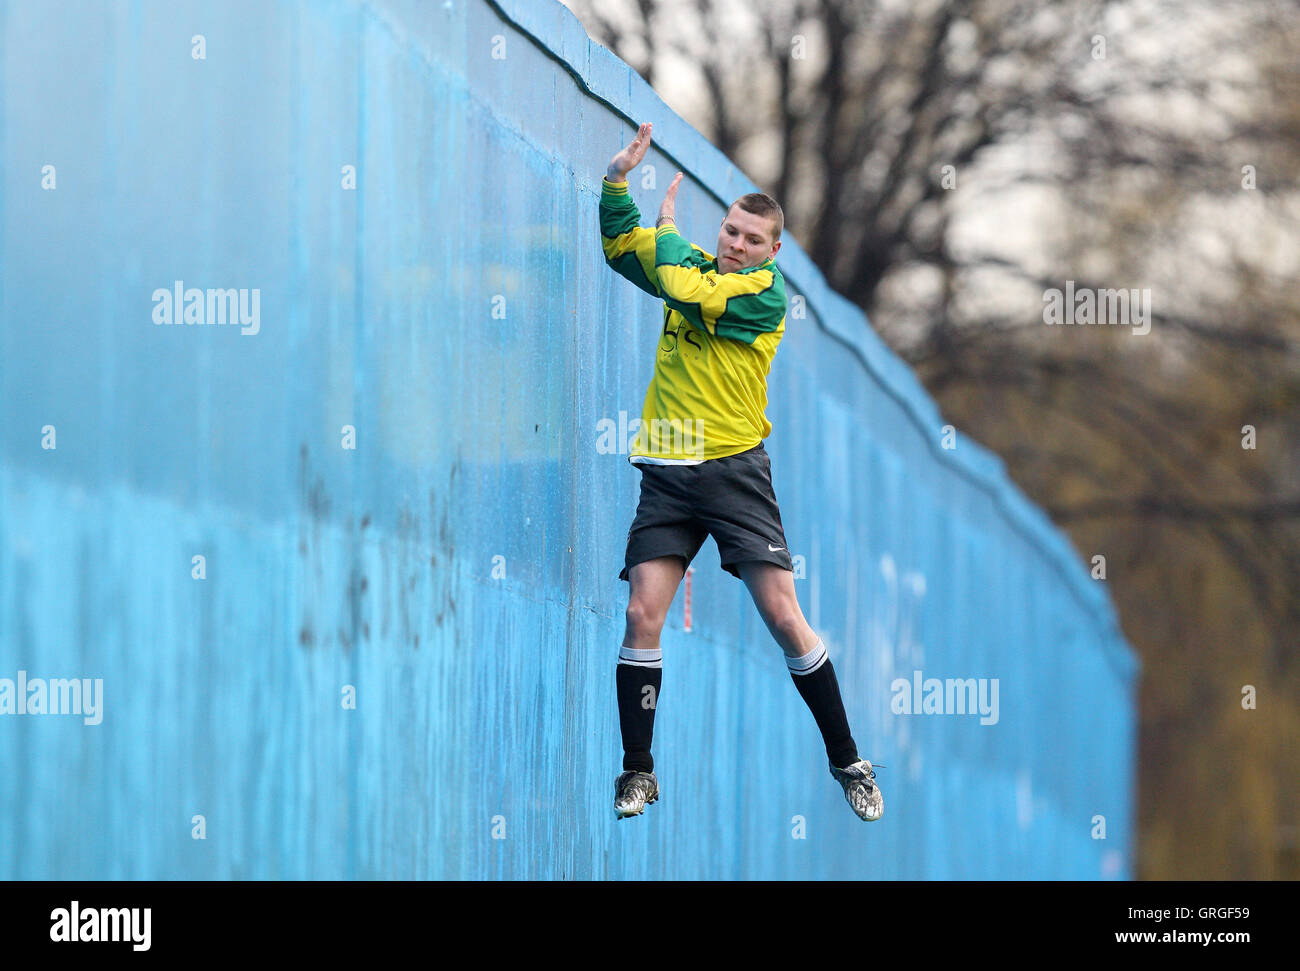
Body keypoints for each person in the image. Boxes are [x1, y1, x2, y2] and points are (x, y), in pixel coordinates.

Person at [600, 121, 884, 823]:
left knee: (784, 615)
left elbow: (681, 287)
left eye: (752, 239)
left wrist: (666, 231)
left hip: (733, 471)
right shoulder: (691, 261)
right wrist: (614, 184)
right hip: (668, 466)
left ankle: (848, 759)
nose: (736, 244)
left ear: (773, 249)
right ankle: (637, 771)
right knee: (641, 611)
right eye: (730, 231)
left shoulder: (763, 294)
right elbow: (619, 250)